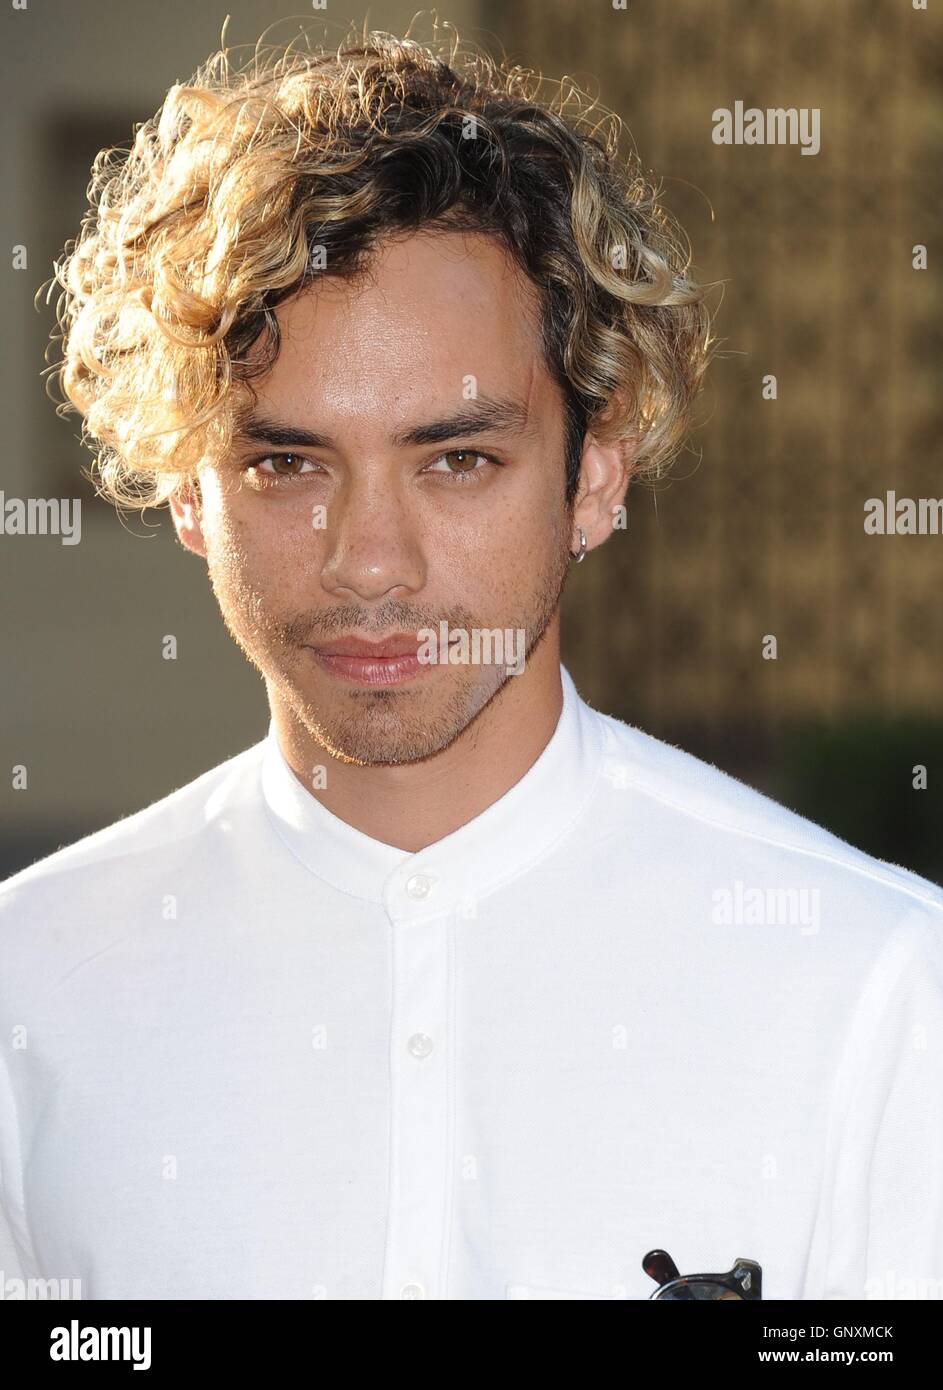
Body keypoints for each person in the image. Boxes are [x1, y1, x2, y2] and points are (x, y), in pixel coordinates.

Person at [1, 23, 941, 1302]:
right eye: (287, 464)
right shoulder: (28, 990)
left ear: (593, 473)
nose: (368, 562)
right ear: (184, 490)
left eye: (457, 459)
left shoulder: (878, 986)